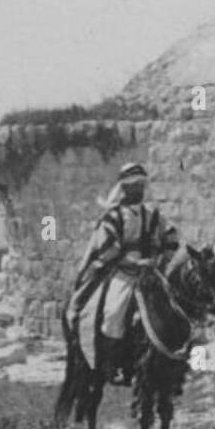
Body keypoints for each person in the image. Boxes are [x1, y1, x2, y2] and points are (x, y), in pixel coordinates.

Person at [68, 163, 179, 384]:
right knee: (113, 314)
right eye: (132, 186)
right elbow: (109, 249)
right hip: (124, 273)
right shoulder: (113, 217)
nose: (136, 190)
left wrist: (161, 259)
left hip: (154, 272)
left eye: (140, 185)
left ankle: (182, 358)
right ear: (123, 189)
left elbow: (170, 238)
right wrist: (136, 262)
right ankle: (113, 364)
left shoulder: (153, 214)